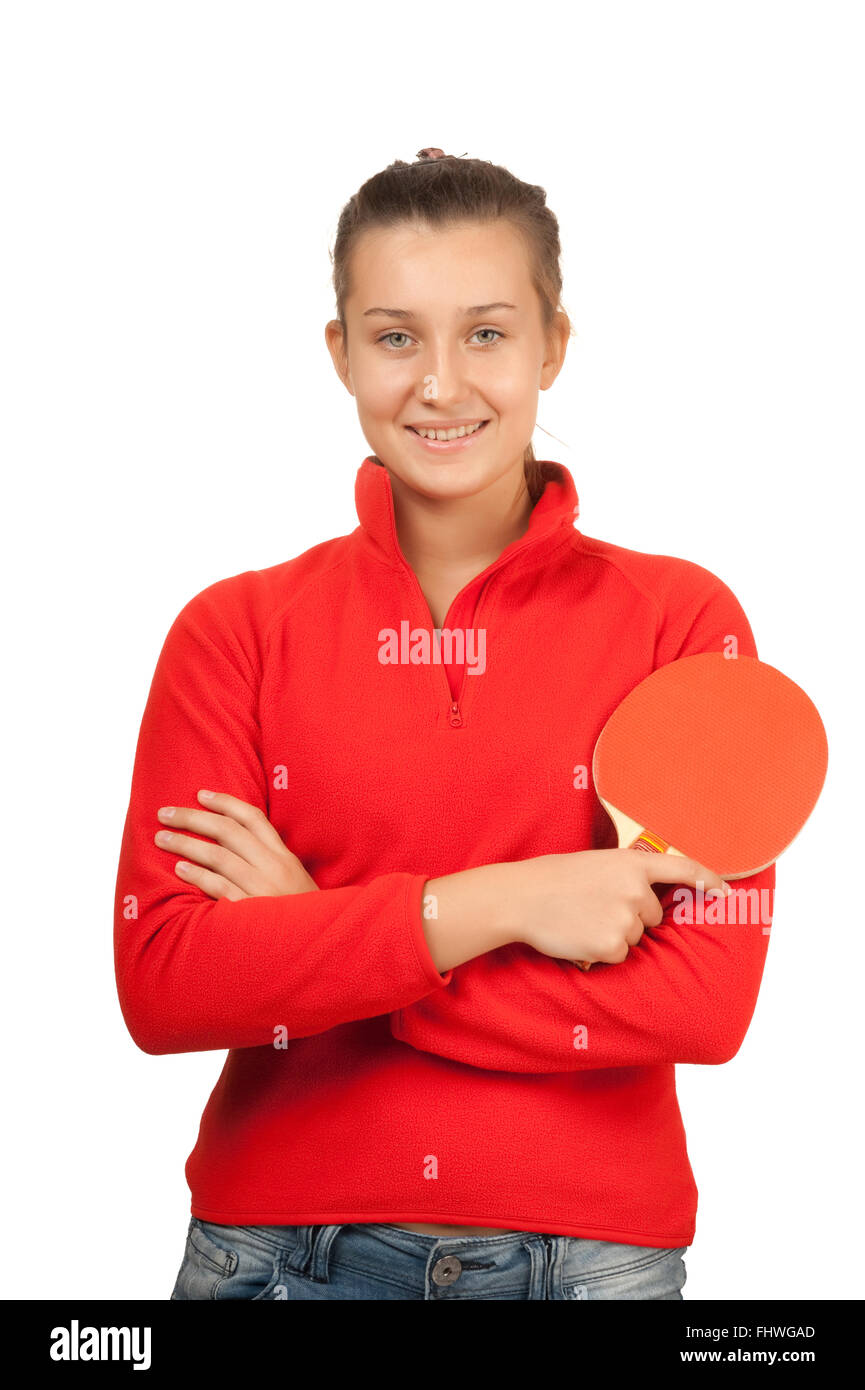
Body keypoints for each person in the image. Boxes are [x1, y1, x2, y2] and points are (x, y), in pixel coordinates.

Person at [114, 149, 774, 1301]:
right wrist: (502, 904)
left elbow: (699, 1005)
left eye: (485, 333)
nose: (440, 384)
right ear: (341, 354)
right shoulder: (234, 632)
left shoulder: (683, 622)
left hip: (595, 1264)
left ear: (551, 346)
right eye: (394, 335)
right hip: (276, 1252)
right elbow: (169, 984)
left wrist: (317, 936)